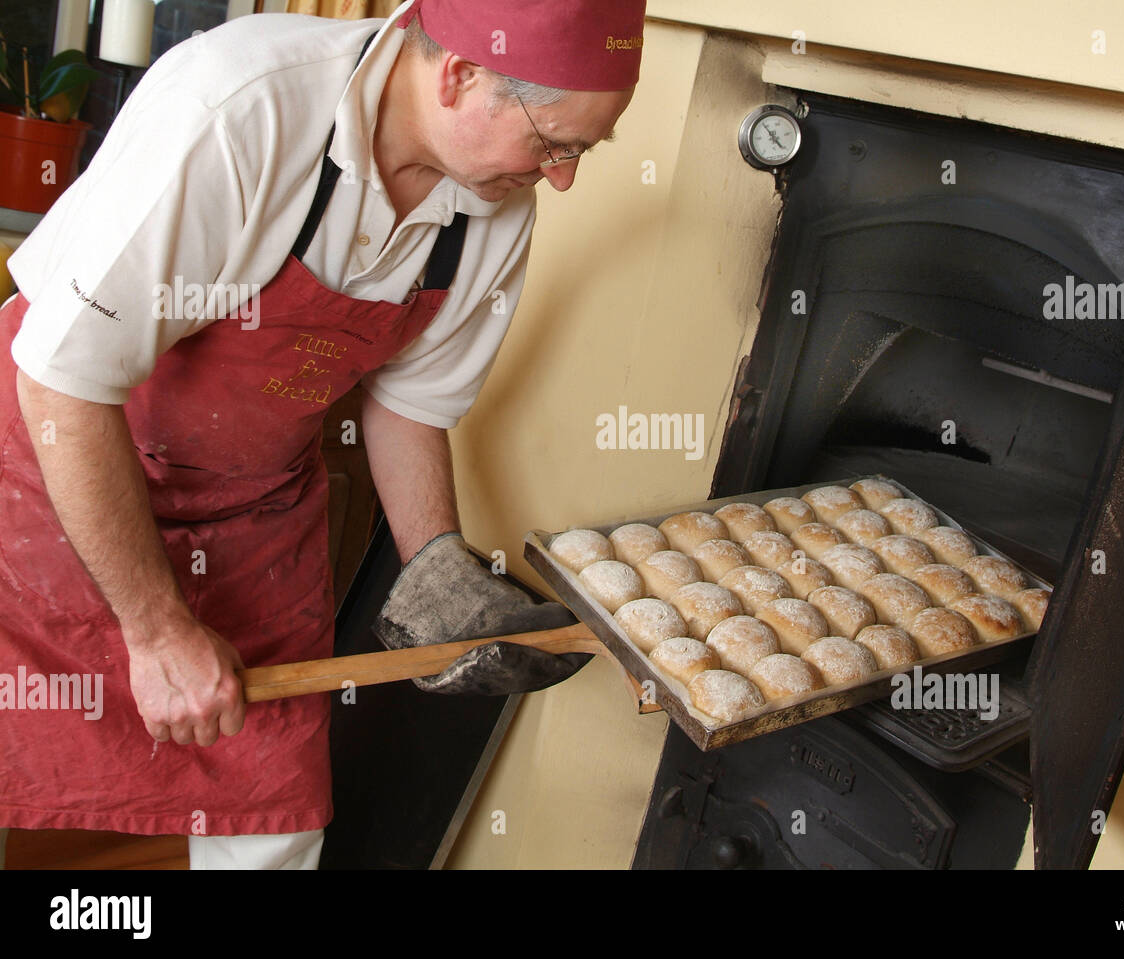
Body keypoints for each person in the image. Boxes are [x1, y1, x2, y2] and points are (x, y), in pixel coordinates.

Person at [0, 0, 645, 870]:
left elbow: (409, 403)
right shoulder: (241, 108)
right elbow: (63, 379)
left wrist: (436, 567)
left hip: (253, 511)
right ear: (459, 74)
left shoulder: (496, 206)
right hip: (55, 472)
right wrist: (155, 631)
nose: (561, 177)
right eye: (554, 142)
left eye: (583, 150)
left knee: (273, 815)